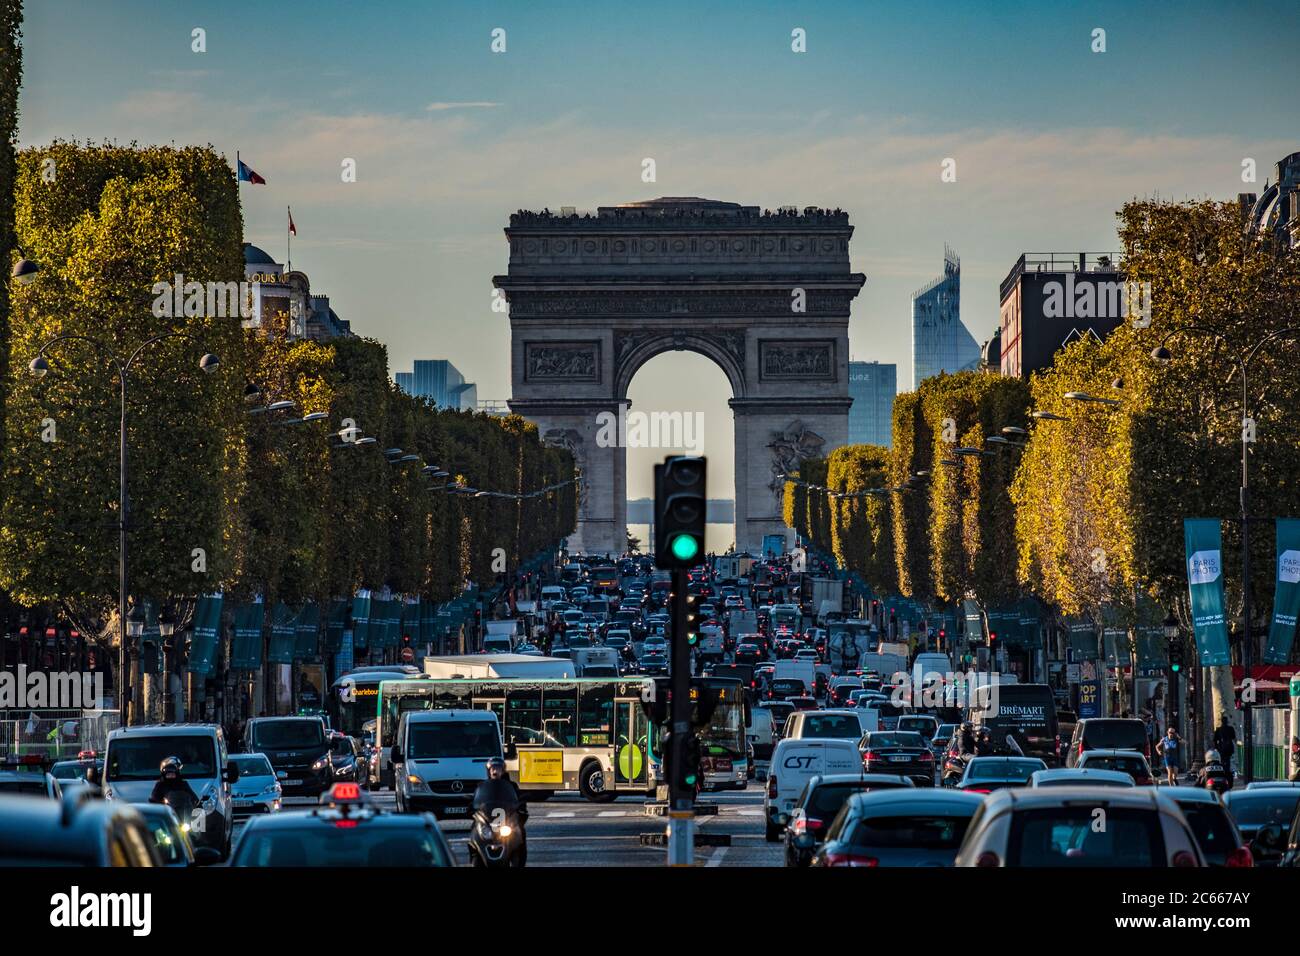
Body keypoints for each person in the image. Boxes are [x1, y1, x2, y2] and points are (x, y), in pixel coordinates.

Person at [471, 756, 528, 865]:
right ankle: (475, 854)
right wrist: (472, 806)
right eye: (492, 768)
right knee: (475, 829)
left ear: (503, 770)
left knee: (520, 832)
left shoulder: (511, 785)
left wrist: (521, 806)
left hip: (506, 819)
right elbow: (476, 800)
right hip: (487, 820)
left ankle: (520, 859)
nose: (495, 771)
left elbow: (518, 799)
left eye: (497, 768)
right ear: (488, 771)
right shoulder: (482, 785)